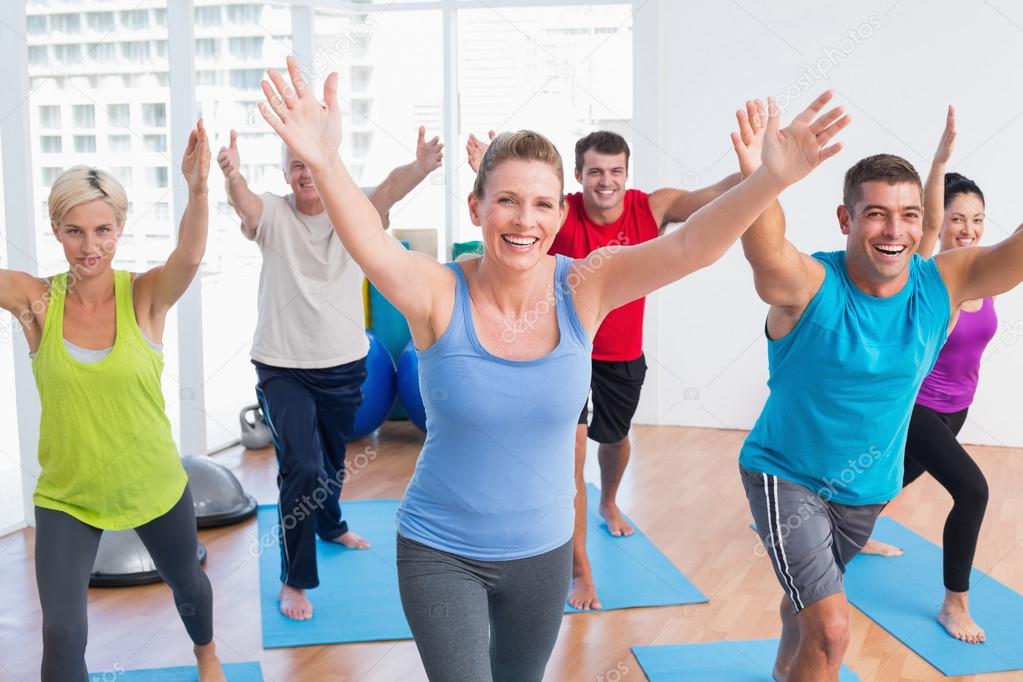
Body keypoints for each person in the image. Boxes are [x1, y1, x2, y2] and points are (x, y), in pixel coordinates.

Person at [258, 56, 847, 681]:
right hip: (439, 550)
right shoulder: (438, 292)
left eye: (542, 204)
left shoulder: (585, 286)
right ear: (476, 205)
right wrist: (323, 161)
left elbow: (689, 246)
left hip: (542, 554)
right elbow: (370, 244)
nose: (525, 220)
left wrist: (769, 181)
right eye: (507, 200)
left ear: (559, 216)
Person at [731, 99, 1023, 681]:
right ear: (846, 219)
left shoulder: (943, 282)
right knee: (833, 628)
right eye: (876, 215)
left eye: (910, 216)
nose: (895, 231)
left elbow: (1013, 258)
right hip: (784, 474)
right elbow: (766, 253)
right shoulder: (810, 285)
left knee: (804, 612)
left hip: (867, 490)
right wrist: (764, 179)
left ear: (922, 221)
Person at [468, 129, 741, 609]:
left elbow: (714, 199)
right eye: (595, 171)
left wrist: (758, 167)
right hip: (564, 350)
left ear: (626, 173)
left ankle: (609, 499)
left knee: (613, 442)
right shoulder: (561, 210)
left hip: (620, 357)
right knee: (570, 459)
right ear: (579, 175)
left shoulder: (651, 208)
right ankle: (579, 569)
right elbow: (514, 215)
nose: (606, 181)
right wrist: (488, 171)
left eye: (615, 171)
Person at [0, 122, 224, 681]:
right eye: (74, 231)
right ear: (55, 230)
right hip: (68, 494)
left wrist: (198, 190)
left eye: (102, 230)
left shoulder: (144, 297)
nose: (89, 246)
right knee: (61, 631)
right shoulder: (38, 302)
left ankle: (206, 654)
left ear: (120, 228)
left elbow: (191, 256)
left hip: (151, 482)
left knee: (188, 584)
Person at [216, 124, 443, 620]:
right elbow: (246, 204)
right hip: (282, 366)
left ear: (327, 164)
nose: (304, 173)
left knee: (333, 459)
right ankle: (296, 579)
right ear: (286, 172)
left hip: (343, 362)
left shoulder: (352, 206)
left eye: (311, 162)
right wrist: (231, 174)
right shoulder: (273, 214)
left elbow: (390, 187)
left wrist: (422, 167)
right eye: (294, 164)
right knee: (301, 465)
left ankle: (330, 522)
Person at [861, 106, 995, 644]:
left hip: (956, 407)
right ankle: (954, 604)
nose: (968, 229)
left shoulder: (985, 271)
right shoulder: (931, 273)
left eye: (979, 220)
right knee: (974, 491)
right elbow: (932, 222)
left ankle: (848, 530)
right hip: (915, 405)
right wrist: (939, 160)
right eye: (959, 218)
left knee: (895, 478)